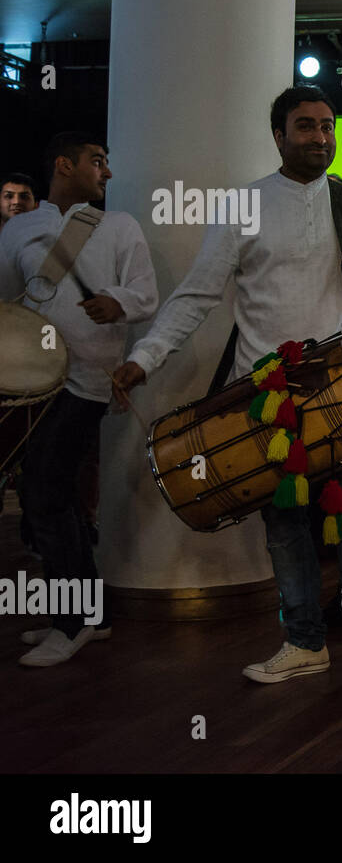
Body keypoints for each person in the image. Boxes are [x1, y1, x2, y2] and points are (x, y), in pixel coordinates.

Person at [114, 86, 342, 693]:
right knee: (285, 526)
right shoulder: (245, 207)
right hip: (269, 395)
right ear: (279, 136)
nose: (321, 136)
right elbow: (198, 295)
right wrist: (146, 356)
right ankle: (304, 642)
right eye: (307, 127)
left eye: (328, 126)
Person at [1, 132, 158, 666]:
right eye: (98, 162)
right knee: (56, 496)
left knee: (45, 495)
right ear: (64, 165)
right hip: (30, 384)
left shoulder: (119, 225)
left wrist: (116, 303)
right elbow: (8, 304)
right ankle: (89, 614)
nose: (108, 172)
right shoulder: (19, 228)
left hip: (87, 380)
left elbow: (146, 293)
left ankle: (73, 623)